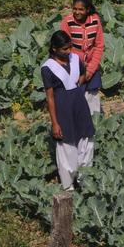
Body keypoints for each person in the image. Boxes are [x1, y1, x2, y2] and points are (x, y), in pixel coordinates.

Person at [42, 30, 94, 191]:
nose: (69, 51)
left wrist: (77, 86)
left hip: (80, 106)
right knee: (67, 145)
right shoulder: (48, 68)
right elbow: (50, 97)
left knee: (86, 139)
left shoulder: (75, 59)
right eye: (65, 49)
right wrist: (55, 123)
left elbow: (83, 74)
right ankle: (68, 185)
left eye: (70, 47)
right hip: (63, 109)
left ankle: (85, 181)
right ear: (54, 49)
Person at [59, 0, 105, 114]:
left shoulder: (95, 20)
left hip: (91, 63)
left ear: (87, 10)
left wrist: (90, 70)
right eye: (74, 9)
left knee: (92, 93)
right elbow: (64, 47)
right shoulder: (67, 22)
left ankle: (94, 119)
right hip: (73, 64)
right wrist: (75, 67)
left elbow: (99, 45)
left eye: (81, 9)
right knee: (77, 94)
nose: (77, 12)